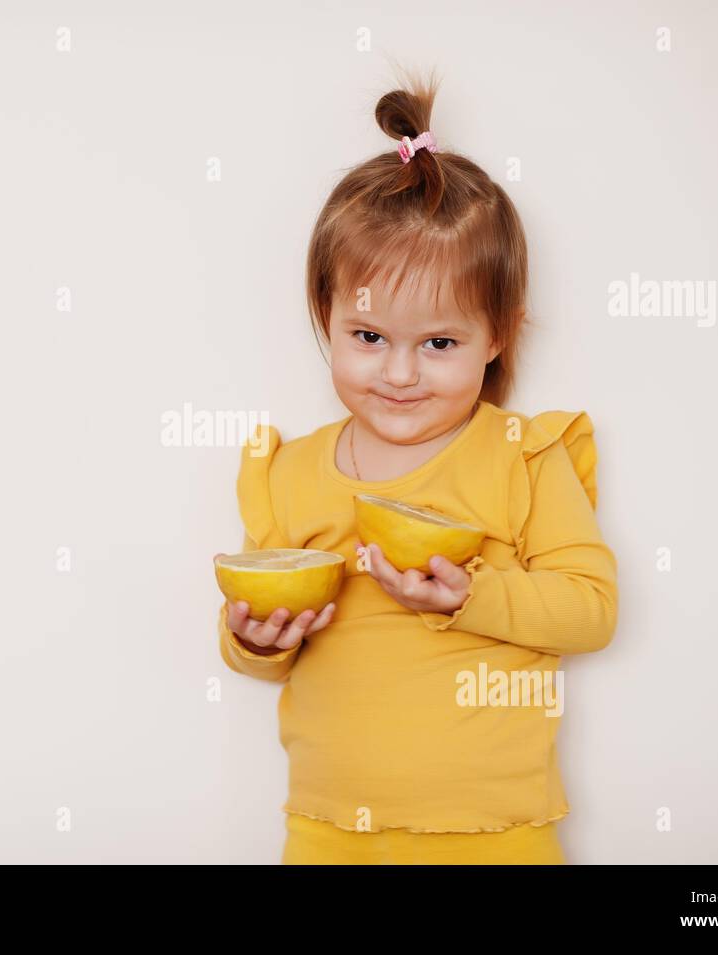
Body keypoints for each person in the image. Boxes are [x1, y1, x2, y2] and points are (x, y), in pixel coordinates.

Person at [213, 67, 618, 865]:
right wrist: (254, 641)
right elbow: (264, 658)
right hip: (328, 831)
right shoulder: (288, 475)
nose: (399, 374)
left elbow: (592, 610)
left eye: (439, 343)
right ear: (325, 318)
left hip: (496, 833)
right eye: (368, 337)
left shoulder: (521, 457)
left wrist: (471, 595)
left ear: (497, 336)